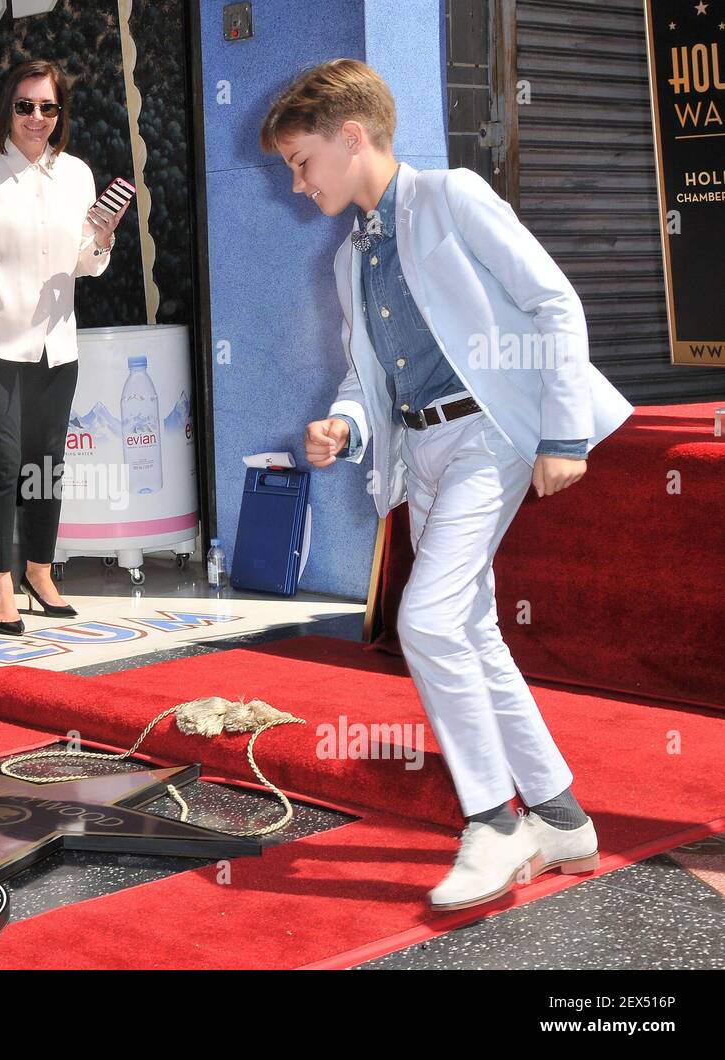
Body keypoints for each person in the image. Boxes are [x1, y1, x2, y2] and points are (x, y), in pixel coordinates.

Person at [263, 59, 633, 911]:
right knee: (469, 630)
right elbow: (369, 379)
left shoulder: (452, 197)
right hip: (421, 456)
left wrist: (565, 429)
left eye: (302, 160)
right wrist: (346, 424)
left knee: (425, 618)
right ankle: (561, 815)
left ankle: (493, 824)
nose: (295, 180)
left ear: (351, 137)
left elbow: (555, 303)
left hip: (489, 432)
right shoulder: (348, 259)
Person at [0, 59, 129, 634]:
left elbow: (84, 265)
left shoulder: (78, 175)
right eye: (25, 106)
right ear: (6, 109)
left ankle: (40, 570)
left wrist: (101, 239)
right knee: (3, 462)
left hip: (54, 346)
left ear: (61, 114)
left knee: (46, 466)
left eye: (48, 107)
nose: (37, 117)